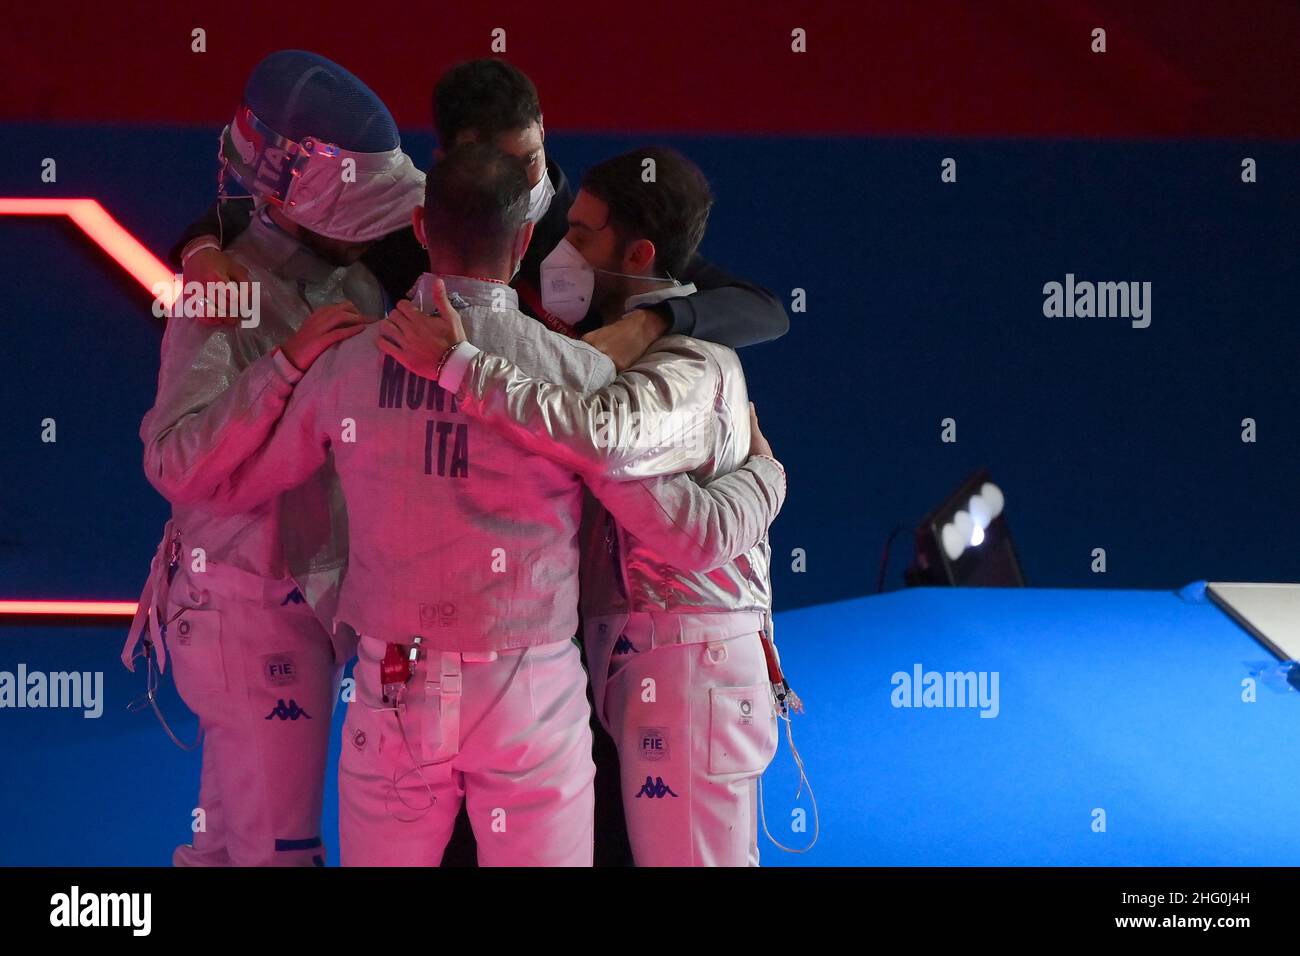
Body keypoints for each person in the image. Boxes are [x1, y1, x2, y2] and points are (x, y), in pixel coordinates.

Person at [199, 143, 785, 865]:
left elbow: (235, 482)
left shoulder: (344, 365)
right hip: (530, 692)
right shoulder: (582, 376)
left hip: (393, 682)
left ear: (420, 227)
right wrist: (765, 476)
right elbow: (682, 526)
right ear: (524, 241)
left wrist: (280, 366)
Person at [385, 146, 789, 866]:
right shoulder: (612, 357)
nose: (560, 252)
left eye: (581, 235)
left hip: (687, 662)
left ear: (638, 254)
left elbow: (606, 445)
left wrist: (458, 366)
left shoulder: (688, 362)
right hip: (651, 656)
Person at [121, 50, 424, 866]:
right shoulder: (221, 290)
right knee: (279, 855)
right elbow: (175, 462)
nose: (379, 229)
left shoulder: (352, 283)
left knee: (226, 849)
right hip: (247, 614)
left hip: (287, 611)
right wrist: (285, 365)